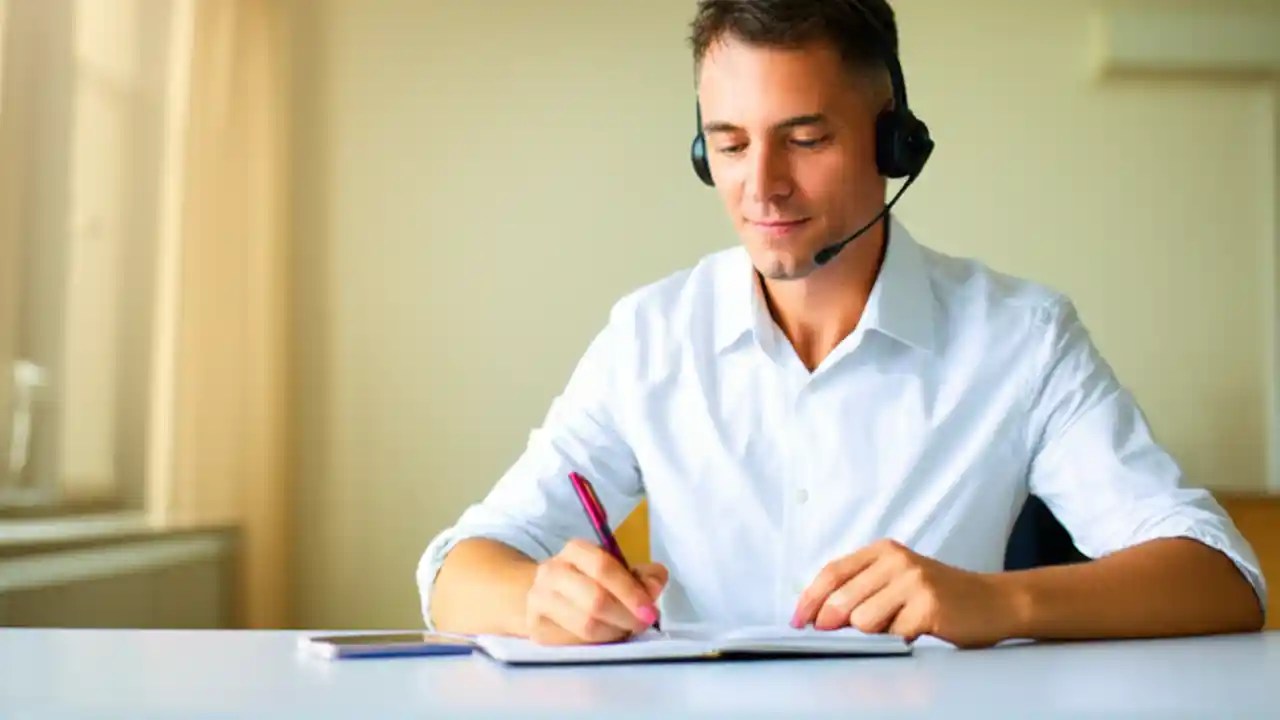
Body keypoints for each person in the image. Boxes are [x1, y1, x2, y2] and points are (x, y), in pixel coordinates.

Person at [417, 0, 1266, 648]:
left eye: (805, 138)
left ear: (892, 140)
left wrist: (997, 600)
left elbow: (1225, 581)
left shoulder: (1021, 337)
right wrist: (538, 599)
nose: (762, 188)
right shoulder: (650, 338)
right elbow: (456, 570)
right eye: (731, 143)